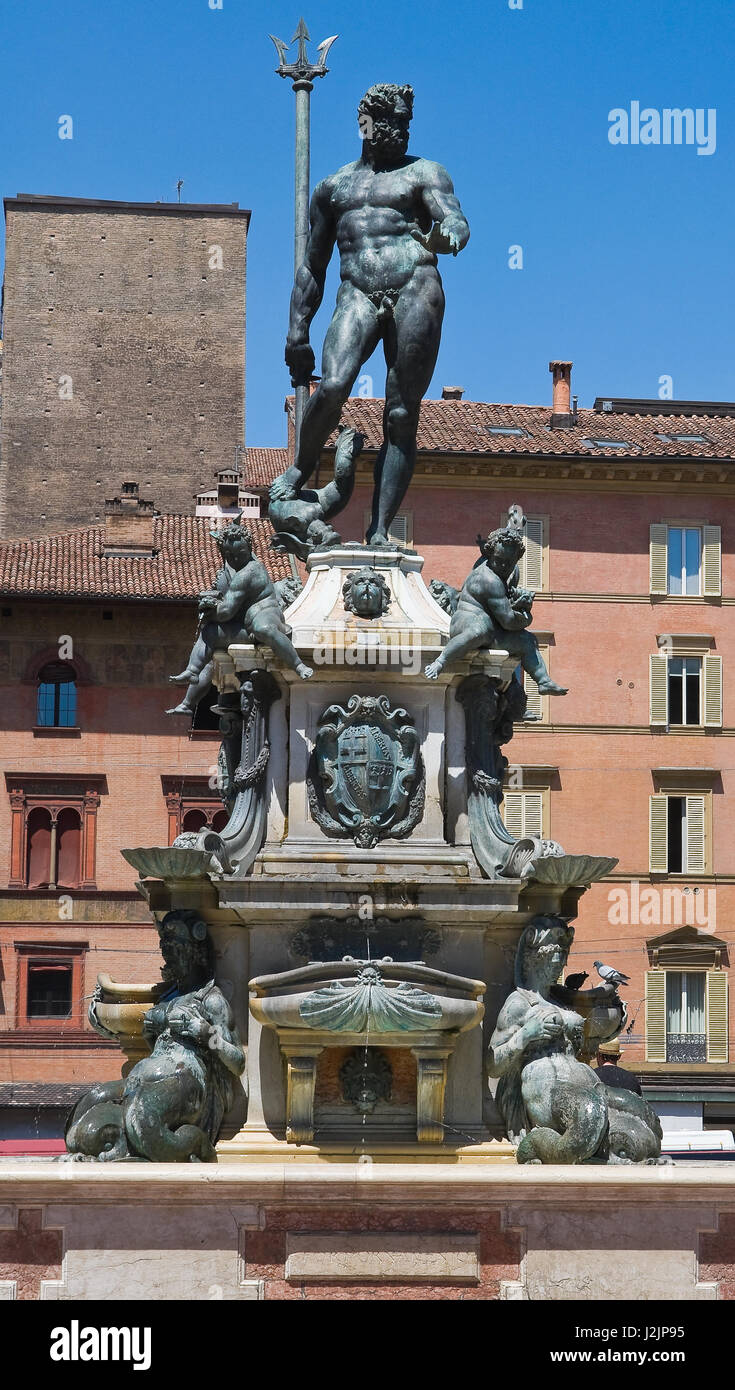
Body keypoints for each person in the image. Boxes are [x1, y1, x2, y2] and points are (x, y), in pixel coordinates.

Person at [282, 82, 470, 546]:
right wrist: (297, 330)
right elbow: (313, 265)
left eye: (407, 123)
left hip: (416, 286)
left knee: (402, 412)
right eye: (392, 122)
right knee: (334, 385)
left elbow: (455, 221)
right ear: (365, 124)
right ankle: (298, 473)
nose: (402, 131)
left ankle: (380, 530)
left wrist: (446, 237)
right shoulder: (332, 189)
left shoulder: (426, 173)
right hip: (357, 291)